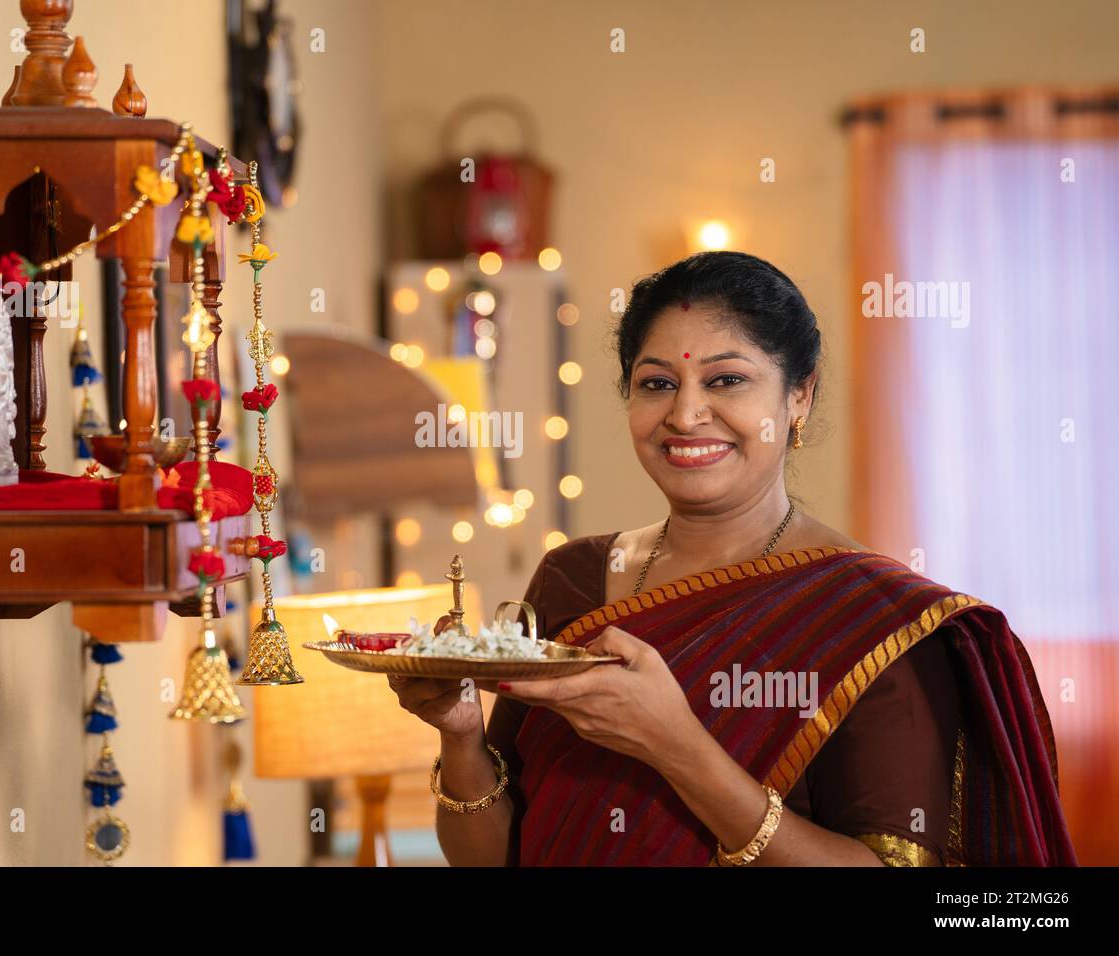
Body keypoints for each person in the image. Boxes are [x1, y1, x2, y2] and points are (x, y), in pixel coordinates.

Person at [387, 251, 1076, 867]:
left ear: (798, 397)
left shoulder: (873, 620)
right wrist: (462, 737)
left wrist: (674, 743)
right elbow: (491, 856)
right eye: (657, 384)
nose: (686, 416)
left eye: (726, 382)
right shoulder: (571, 577)